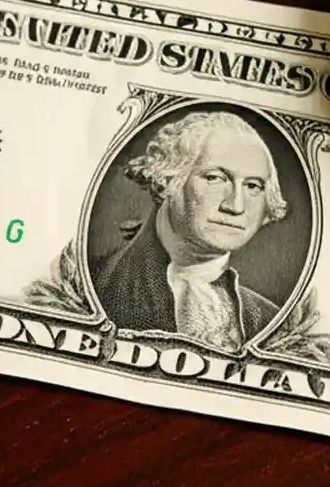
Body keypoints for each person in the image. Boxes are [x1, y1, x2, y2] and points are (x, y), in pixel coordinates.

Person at [92, 111, 289, 352]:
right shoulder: (93, 284)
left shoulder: (273, 321)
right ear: (168, 179)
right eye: (215, 178)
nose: (235, 206)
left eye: (252, 186)